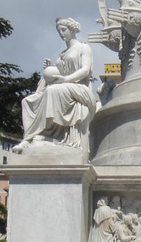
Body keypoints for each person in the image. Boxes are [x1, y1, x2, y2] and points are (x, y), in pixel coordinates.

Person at [14, 17, 96, 152]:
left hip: (80, 89)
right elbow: (60, 74)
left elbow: (85, 70)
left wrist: (66, 79)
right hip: (65, 86)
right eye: (59, 31)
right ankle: (30, 137)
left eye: (64, 30)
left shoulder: (83, 48)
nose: (61, 33)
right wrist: (51, 69)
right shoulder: (62, 54)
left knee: (52, 91)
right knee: (27, 101)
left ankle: (41, 134)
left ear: (72, 29)